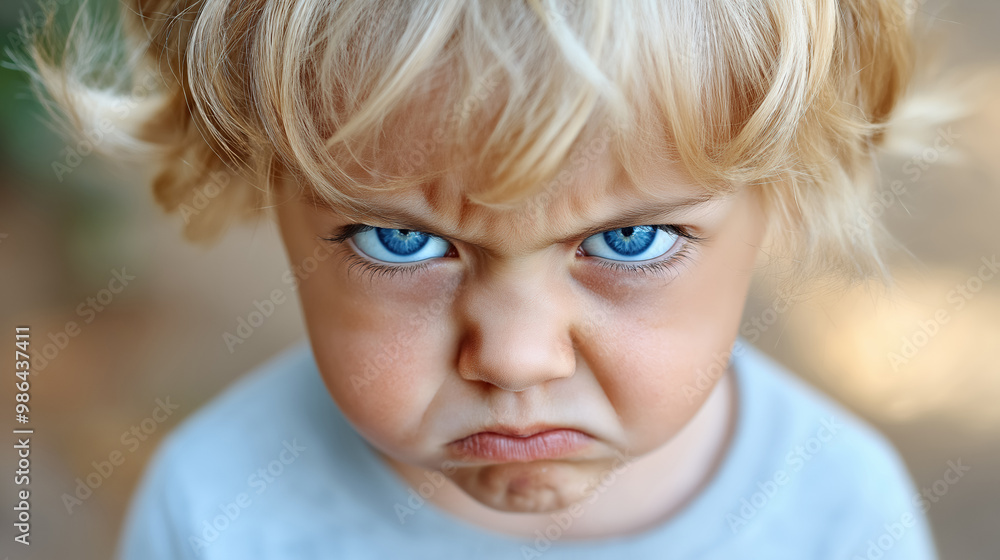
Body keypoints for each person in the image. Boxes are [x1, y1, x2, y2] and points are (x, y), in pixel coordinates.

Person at [20, 0, 942, 558]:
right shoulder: (219, 511)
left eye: (627, 241)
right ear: (264, 186)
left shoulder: (840, 512)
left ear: (782, 203)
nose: (514, 358)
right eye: (401, 243)